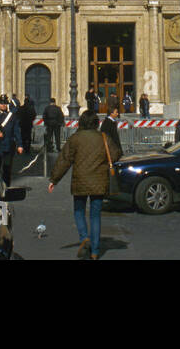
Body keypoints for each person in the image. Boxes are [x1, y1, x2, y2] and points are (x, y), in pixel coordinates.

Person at [49, 110, 120, 260]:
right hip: (99, 181)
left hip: (80, 180)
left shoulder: (75, 139)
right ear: (96, 123)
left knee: (79, 211)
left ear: (81, 122)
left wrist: (54, 180)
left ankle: (84, 238)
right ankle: (95, 251)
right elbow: (115, 154)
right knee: (95, 216)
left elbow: (64, 160)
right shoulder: (103, 137)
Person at [0, 95, 23, 186]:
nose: (3, 105)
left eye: (5, 103)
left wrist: (20, 144)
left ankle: (6, 187)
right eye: (1, 103)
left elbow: (17, 131)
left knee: (7, 168)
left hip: (8, 145)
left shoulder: (12, 116)